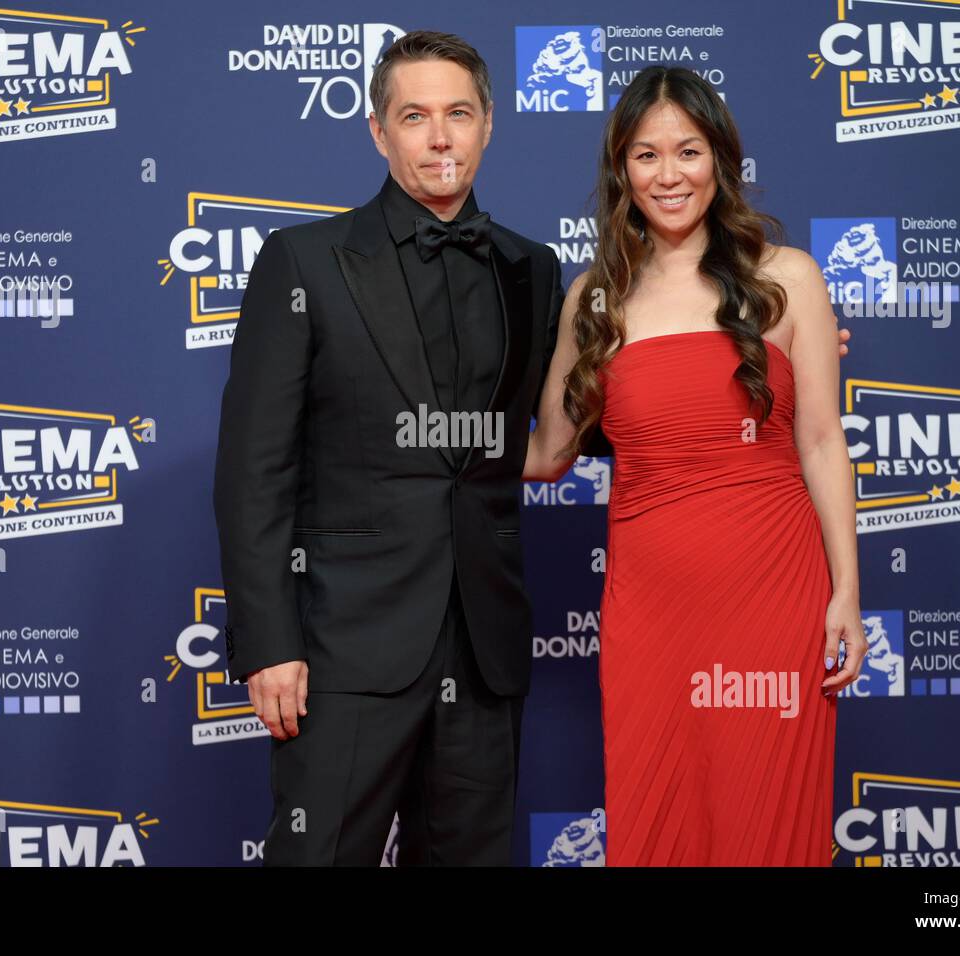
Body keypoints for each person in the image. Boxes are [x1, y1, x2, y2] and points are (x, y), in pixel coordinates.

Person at [212, 30, 564, 866]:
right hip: (343, 648)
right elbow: (253, 470)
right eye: (415, 116)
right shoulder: (302, 261)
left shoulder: (533, 267)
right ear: (379, 131)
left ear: (488, 126)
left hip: (482, 648)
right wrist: (269, 642)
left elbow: (592, 417)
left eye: (458, 114)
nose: (439, 137)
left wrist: (767, 349)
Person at [524, 66, 868, 865]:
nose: (669, 174)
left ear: (720, 159)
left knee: (764, 816)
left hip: (774, 599)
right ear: (621, 169)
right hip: (650, 610)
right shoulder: (595, 299)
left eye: (688, 151)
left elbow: (821, 442)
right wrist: (404, 428)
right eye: (646, 156)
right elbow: (546, 454)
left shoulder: (789, 279)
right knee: (658, 811)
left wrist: (847, 589)